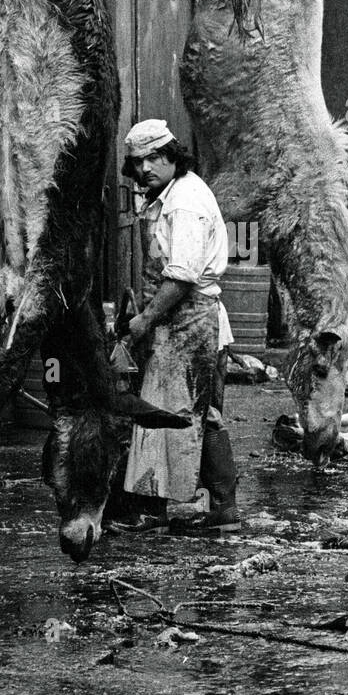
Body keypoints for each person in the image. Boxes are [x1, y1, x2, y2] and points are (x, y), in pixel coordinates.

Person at [119, 118, 238, 529]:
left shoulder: (184, 202)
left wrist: (145, 320)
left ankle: (221, 508)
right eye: (137, 162)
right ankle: (162, 506)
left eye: (154, 158)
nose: (145, 168)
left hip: (190, 320)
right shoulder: (166, 194)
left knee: (189, 414)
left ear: (172, 156)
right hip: (177, 321)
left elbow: (182, 276)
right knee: (177, 412)